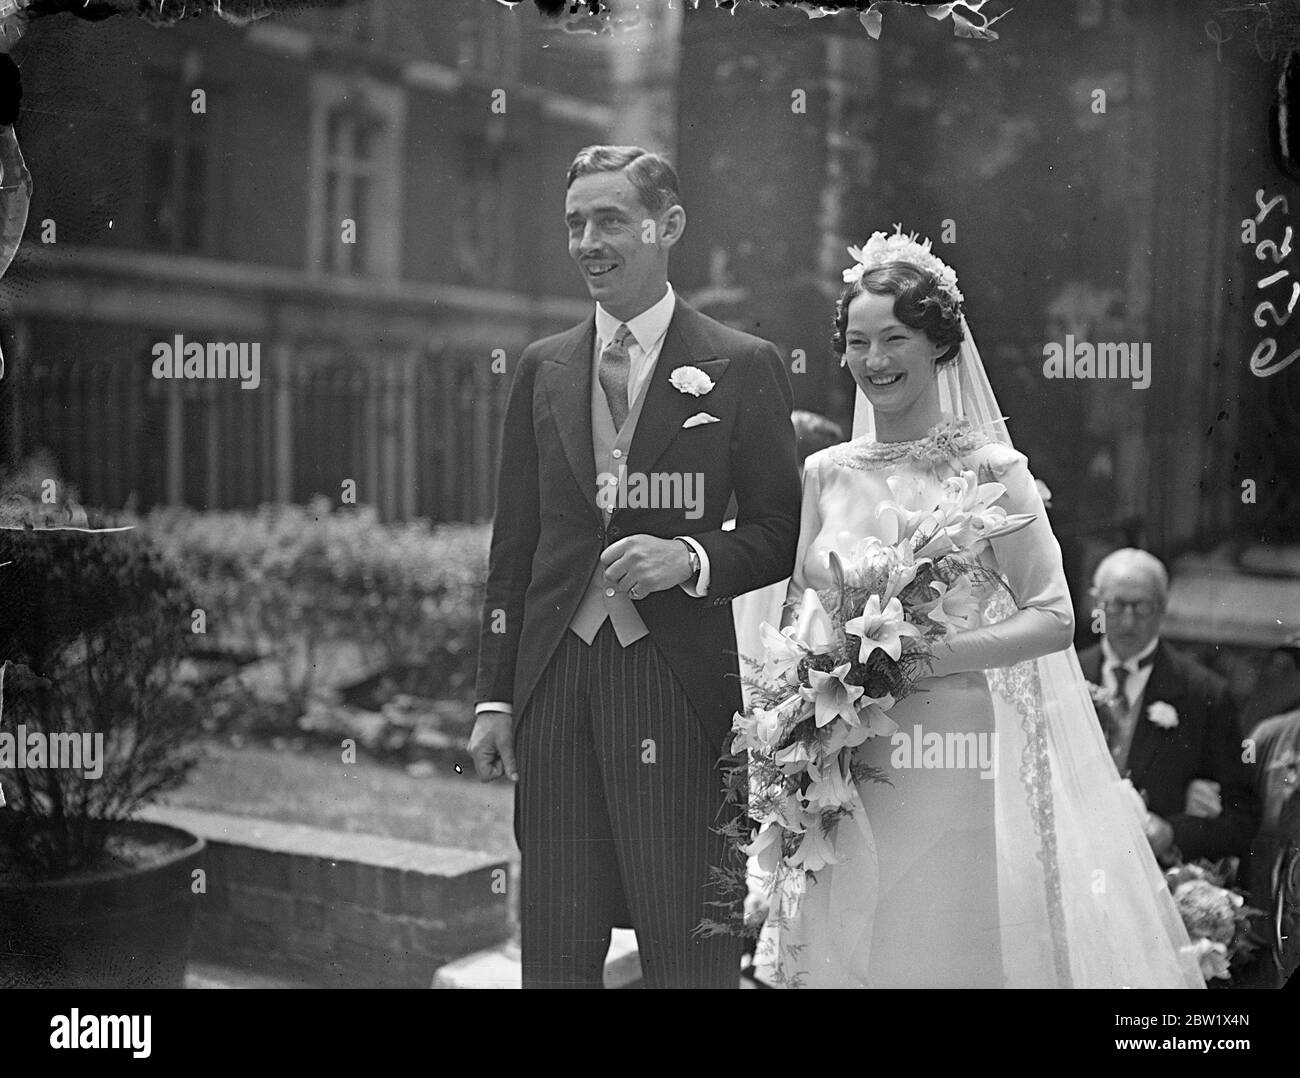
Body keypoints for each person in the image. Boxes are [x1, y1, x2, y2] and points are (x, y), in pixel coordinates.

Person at [745, 227, 1204, 988]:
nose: (875, 360)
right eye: (858, 342)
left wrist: (921, 657)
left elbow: (1055, 614)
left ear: (940, 347)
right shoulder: (823, 473)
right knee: (843, 936)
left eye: (895, 338)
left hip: (947, 740)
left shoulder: (992, 468)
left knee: (934, 937)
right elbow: (802, 605)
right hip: (836, 749)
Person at [468, 145, 802, 989]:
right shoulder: (543, 366)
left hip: (675, 684)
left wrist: (688, 556)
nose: (588, 241)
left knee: (688, 941)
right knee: (555, 945)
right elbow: (515, 549)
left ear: (668, 226)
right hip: (553, 687)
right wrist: (496, 696)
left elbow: (778, 530)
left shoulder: (742, 363)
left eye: (610, 219)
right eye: (576, 223)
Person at [1077, 549, 1258, 867]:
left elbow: (1241, 816)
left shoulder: (1205, 694)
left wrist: (1173, 832)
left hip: (1159, 875)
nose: (1128, 620)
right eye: (1116, 605)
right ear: (1097, 602)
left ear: (1162, 608)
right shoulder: (1071, 678)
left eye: (1142, 607)